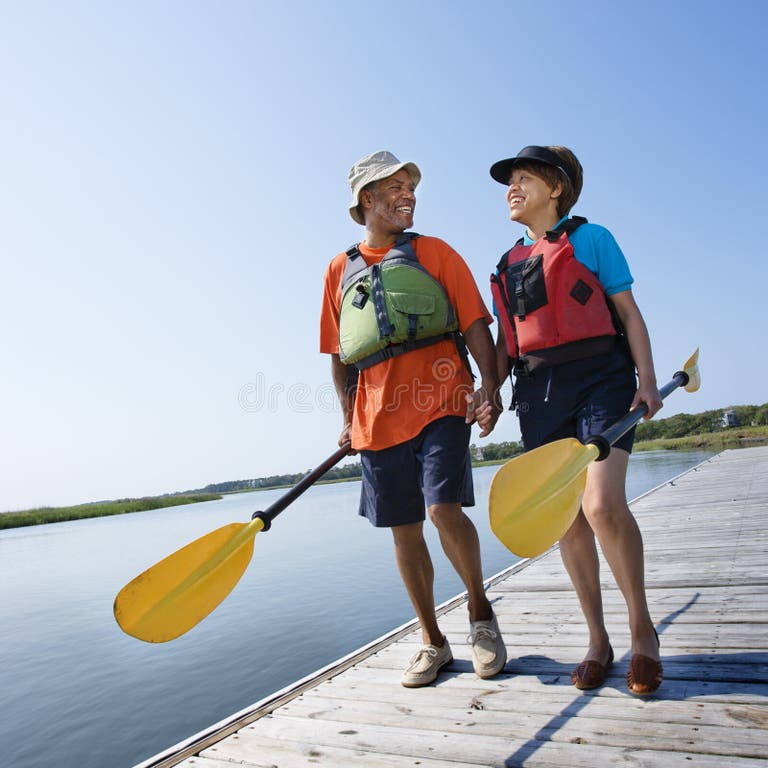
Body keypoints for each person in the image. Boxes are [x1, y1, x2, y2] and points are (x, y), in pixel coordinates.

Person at [320, 150, 506, 688]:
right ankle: (432, 641)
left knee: (443, 508)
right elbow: (339, 355)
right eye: (396, 188)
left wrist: (489, 389)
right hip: (376, 419)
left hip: (442, 401)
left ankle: (480, 615)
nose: (409, 196)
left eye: (412, 188)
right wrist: (347, 419)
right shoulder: (338, 270)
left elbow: (475, 324)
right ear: (367, 199)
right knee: (404, 532)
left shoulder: (436, 252)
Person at [486, 145, 664, 695]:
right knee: (568, 520)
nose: (512, 188)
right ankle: (598, 642)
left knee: (601, 504)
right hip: (538, 394)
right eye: (509, 181)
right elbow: (507, 343)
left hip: (602, 379)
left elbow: (629, 313)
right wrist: (487, 393)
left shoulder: (592, 239)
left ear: (556, 188)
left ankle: (643, 633)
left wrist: (647, 380)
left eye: (523, 178)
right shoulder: (507, 263)